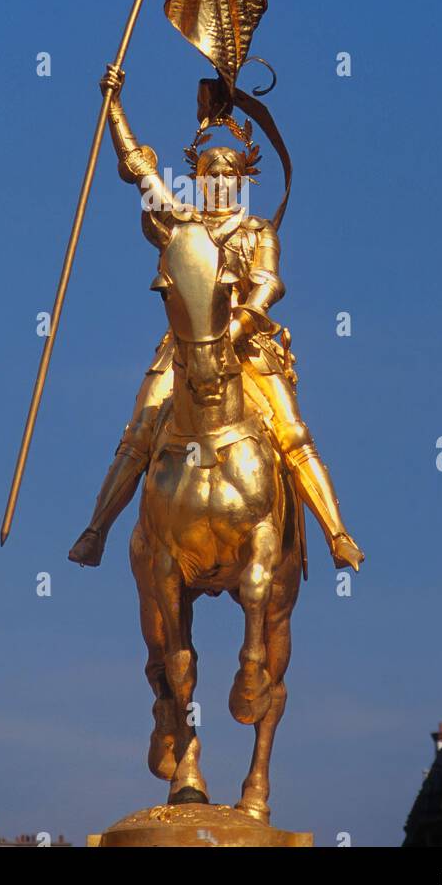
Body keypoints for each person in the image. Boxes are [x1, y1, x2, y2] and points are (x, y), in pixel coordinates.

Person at [68, 64, 364, 573]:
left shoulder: (257, 231)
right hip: (184, 346)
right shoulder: (182, 227)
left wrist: (244, 322)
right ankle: (96, 530)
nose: (221, 184)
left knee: (292, 433)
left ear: (243, 181)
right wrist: (113, 106)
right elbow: (140, 173)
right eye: (211, 176)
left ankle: (336, 532)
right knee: (139, 431)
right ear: (199, 181)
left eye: (230, 177)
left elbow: (269, 283)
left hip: (247, 346)